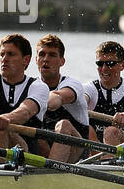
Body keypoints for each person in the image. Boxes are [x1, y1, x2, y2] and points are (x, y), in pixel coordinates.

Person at [0, 34, 50, 154]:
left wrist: (6, 118)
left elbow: (26, 111)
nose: (4, 59)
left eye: (11, 54)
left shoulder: (38, 87)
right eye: (2, 54)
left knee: (0, 130)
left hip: (25, 152)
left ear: (26, 60)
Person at [34, 34, 88, 162]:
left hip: (76, 152)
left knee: (64, 125)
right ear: (36, 59)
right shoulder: (32, 85)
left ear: (62, 61)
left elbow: (56, 99)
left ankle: (50, 176)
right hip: (45, 149)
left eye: (52, 55)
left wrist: (31, 105)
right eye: (42, 54)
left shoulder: (72, 84)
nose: (46, 59)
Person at [84, 41, 124, 147]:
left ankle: (105, 160)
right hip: (96, 148)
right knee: (84, 129)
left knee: (111, 131)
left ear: (122, 65)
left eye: (110, 64)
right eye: (100, 64)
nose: (104, 68)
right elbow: (81, 99)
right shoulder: (90, 88)